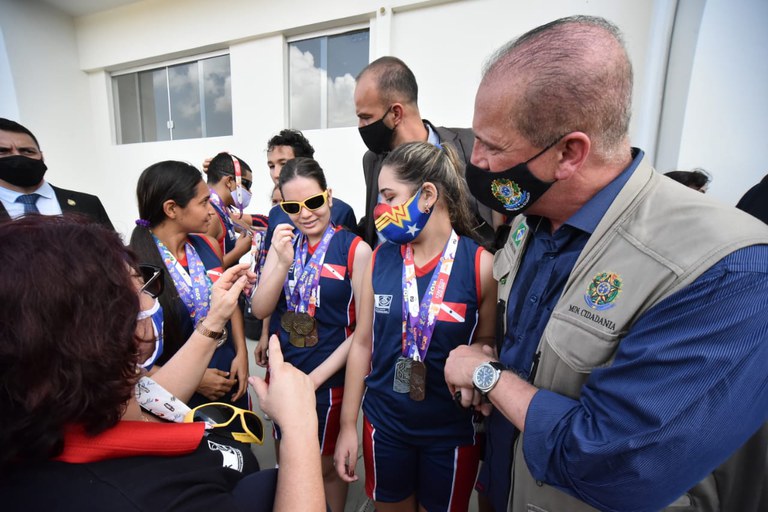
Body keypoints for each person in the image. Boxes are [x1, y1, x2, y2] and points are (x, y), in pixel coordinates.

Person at [443, 15, 768, 512]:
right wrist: (493, 353)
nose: (477, 161)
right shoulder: (535, 219)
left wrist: (489, 378)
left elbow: (615, 465)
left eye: (493, 146)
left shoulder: (727, 269)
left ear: (569, 154)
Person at [0, 215, 325, 511]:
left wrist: (216, 318)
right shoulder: (155, 497)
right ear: (95, 331)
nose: (150, 294)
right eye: (137, 282)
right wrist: (299, 428)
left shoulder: (67, 410)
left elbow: (151, 394)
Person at [334, 141, 497, 511]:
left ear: (427, 195)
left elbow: (487, 339)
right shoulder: (379, 258)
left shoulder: (481, 266)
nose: (381, 210)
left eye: (390, 197)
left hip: (451, 434)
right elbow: (363, 344)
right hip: (385, 425)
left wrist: (483, 353)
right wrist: (348, 425)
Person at [251, 157, 372, 512]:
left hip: (328, 381)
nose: (305, 214)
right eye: (292, 206)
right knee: (288, 461)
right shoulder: (283, 244)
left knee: (324, 470)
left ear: (328, 196)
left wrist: (313, 380)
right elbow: (260, 308)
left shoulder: (356, 249)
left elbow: (363, 331)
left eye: (314, 202)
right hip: (286, 375)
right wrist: (282, 261)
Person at [129, 160, 249, 409]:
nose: (211, 211)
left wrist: (241, 352)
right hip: (179, 394)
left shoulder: (208, 245)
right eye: (204, 202)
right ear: (172, 209)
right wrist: (195, 380)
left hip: (227, 374)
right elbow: (128, 361)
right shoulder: (133, 268)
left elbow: (228, 301)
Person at [353, 57, 496, 248]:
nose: (360, 126)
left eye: (366, 117)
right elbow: (375, 224)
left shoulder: (472, 145)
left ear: (396, 113)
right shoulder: (372, 160)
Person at [0, 118, 113, 227]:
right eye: (3, 151)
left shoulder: (88, 203)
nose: (18, 157)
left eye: (27, 151)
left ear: (42, 156)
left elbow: (111, 245)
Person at [203, 151, 256, 269]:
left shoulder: (221, 209)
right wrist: (238, 252)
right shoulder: (210, 215)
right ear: (229, 181)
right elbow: (204, 271)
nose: (249, 192)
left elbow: (248, 229)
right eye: (247, 185)